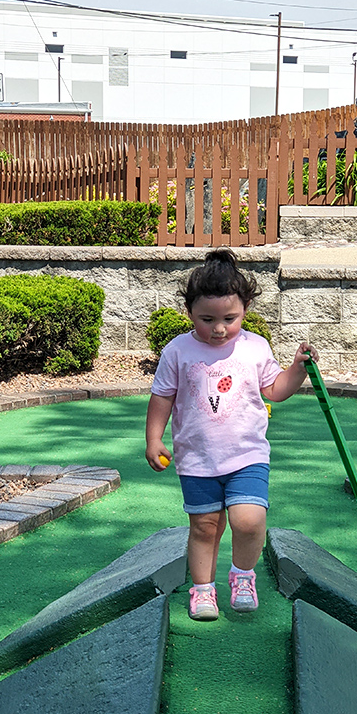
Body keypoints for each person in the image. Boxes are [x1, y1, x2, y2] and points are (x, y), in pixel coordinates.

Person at [145, 248, 319, 621]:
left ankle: (242, 576)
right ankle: (203, 589)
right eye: (207, 319)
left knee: (249, 520)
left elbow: (275, 389)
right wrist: (153, 439)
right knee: (205, 527)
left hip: (247, 455)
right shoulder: (178, 350)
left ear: (246, 308)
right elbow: (162, 397)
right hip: (197, 458)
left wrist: (297, 370)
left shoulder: (255, 347)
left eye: (230, 318)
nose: (219, 328)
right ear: (189, 311)